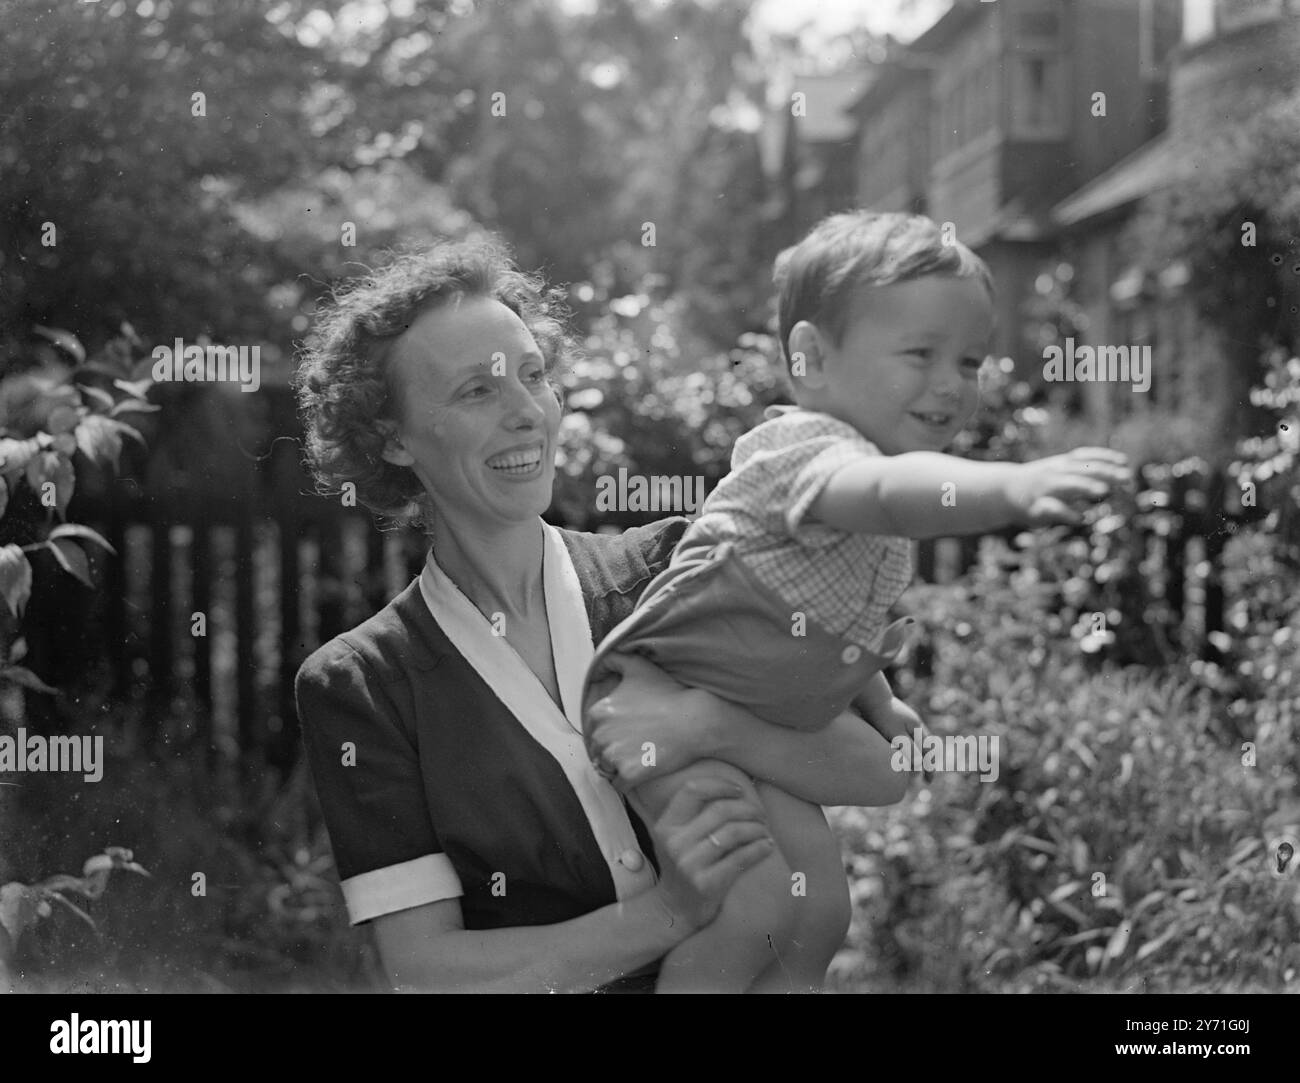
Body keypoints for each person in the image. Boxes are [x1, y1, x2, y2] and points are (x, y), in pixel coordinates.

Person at [292, 238, 910, 993]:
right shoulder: (364, 687)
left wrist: (711, 723)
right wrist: (670, 911)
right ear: (392, 437)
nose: (526, 412)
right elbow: (427, 972)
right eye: (476, 392)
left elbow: (879, 764)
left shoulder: (675, 569)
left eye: (533, 375)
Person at [581, 211, 1132, 993]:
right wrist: (1014, 483)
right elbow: (883, 494)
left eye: (969, 360)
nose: (951, 382)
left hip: (749, 710)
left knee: (823, 906)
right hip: (659, 695)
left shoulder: (872, 506)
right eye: (920, 354)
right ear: (810, 357)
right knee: (756, 903)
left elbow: (822, 619)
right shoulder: (808, 453)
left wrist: (878, 700)